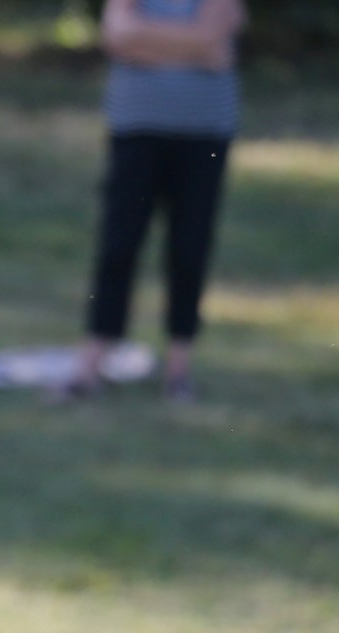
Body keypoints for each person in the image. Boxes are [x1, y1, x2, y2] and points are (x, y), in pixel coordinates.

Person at [64, 0, 243, 401]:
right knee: (119, 244)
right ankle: (93, 359)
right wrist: (193, 48)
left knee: (190, 246)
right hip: (136, 126)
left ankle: (178, 369)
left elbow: (212, 39)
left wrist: (145, 42)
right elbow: (117, 35)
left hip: (205, 131)